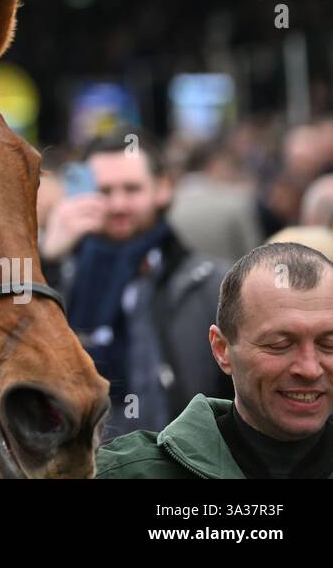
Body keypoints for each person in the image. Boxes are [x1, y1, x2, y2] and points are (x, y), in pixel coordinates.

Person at [41, 129, 232, 440]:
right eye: (104, 191)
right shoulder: (59, 274)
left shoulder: (212, 283)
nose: (118, 205)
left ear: (164, 189)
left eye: (131, 189)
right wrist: (46, 264)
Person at [97, 241, 333, 478]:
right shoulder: (127, 472)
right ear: (221, 349)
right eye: (279, 345)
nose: (310, 369)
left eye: (329, 344)